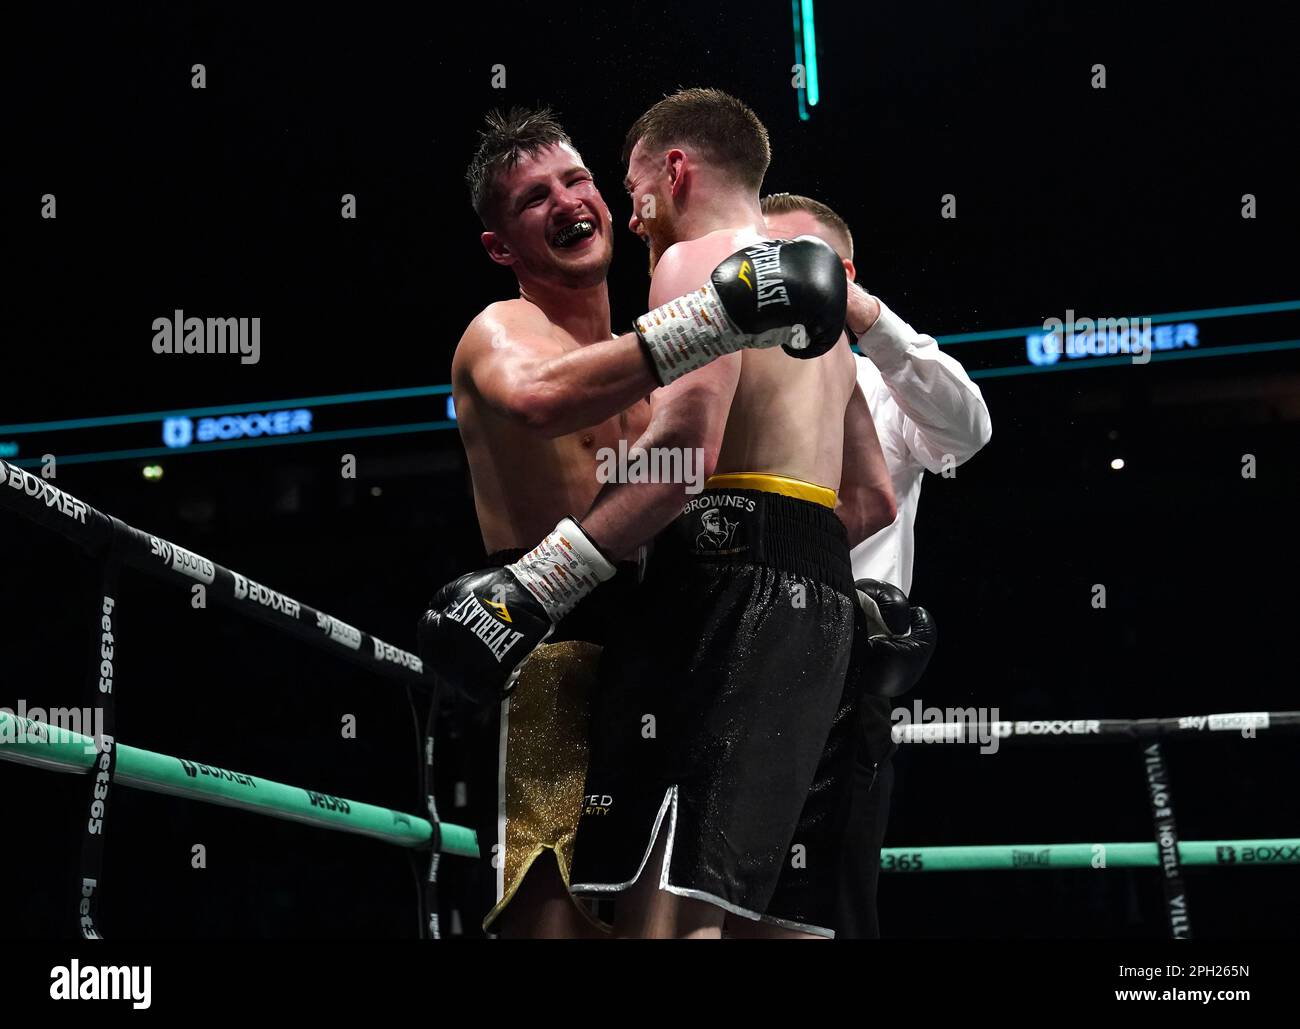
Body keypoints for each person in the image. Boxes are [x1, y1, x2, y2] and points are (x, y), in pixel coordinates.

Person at [564, 88, 897, 939]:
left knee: (665, 914)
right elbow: (869, 499)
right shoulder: (824, 317)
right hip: (817, 598)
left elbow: (685, 456)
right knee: (755, 909)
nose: (631, 218)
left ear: (676, 170)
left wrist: (546, 576)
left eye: (632, 187)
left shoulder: (697, 260)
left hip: (720, 591)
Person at [762, 192, 993, 938]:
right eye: (766, 260)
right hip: (730, 665)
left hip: (842, 680)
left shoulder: (878, 389)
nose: (782, 276)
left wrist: (862, 315)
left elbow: (967, 428)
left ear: (845, 274)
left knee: (834, 904)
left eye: (799, 259)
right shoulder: (723, 381)